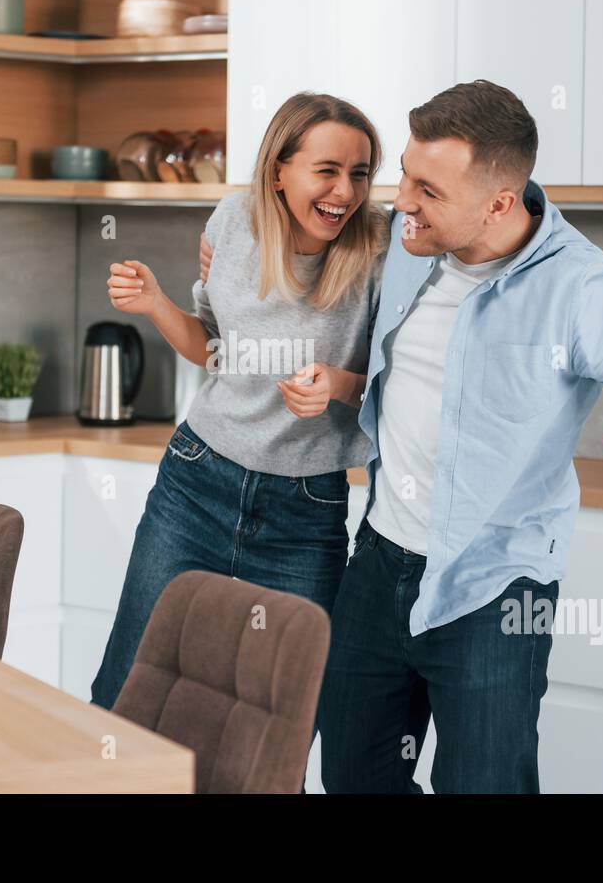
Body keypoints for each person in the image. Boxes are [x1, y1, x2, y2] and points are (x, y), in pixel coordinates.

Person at [201, 79, 603, 793]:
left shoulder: (579, 293)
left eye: (427, 190)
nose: (401, 202)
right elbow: (309, 253)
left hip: (496, 586)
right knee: (356, 778)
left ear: (499, 204)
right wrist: (228, 249)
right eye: (407, 177)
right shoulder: (410, 245)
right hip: (379, 561)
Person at [89, 93, 388, 709]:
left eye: (359, 173)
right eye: (326, 170)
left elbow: (399, 383)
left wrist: (336, 383)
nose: (345, 192)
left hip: (306, 508)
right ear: (279, 171)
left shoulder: (383, 248)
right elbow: (212, 350)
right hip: (197, 482)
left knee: (279, 718)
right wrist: (155, 304)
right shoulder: (232, 222)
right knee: (128, 690)